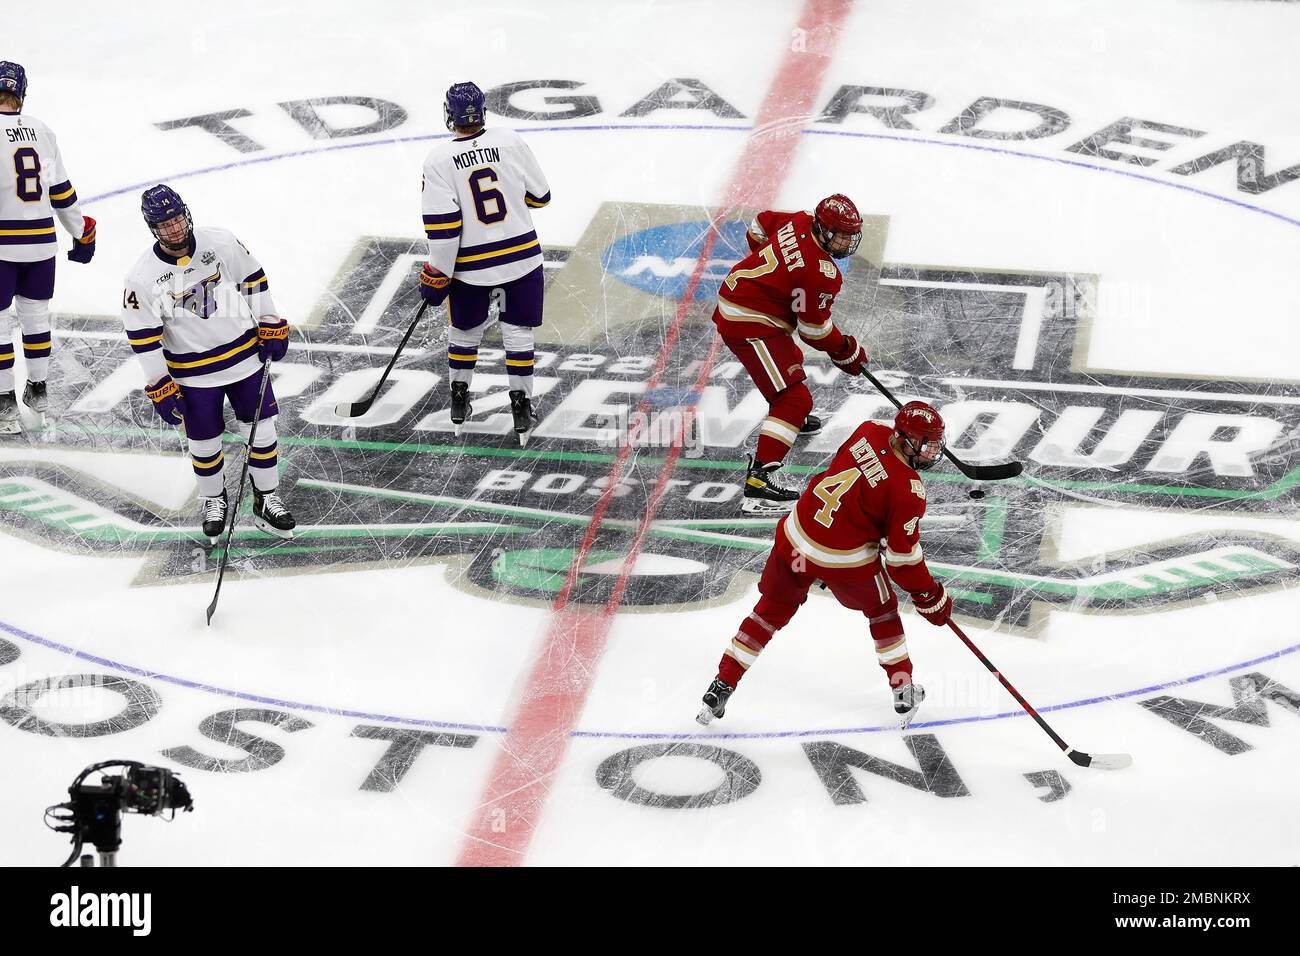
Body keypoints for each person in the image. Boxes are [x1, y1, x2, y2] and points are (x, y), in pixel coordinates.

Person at [697, 401, 953, 728]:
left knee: (769, 611)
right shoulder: (909, 490)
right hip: (842, 562)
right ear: (905, 439)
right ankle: (903, 689)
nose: (932, 452)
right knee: (883, 610)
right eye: (927, 444)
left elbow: (840, 475)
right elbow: (903, 563)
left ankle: (723, 683)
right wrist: (930, 596)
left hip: (795, 539)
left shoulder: (869, 430)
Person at [120, 185, 295, 542]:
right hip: (192, 374)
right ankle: (214, 499)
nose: (174, 228)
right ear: (152, 228)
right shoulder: (141, 277)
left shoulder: (221, 242)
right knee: (203, 444)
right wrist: (159, 383)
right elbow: (142, 336)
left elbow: (253, 278)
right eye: (164, 224)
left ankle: (266, 499)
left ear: (186, 213)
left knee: (262, 432)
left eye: (176, 219)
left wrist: (269, 321)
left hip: (245, 358)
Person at [711, 194, 869, 512]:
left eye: (851, 235)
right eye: (840, 234)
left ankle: (789, 422)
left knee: (789, 363)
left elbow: (759, 225)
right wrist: (846, 351)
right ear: (823, 229)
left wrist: (774, 277)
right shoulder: (820, 272)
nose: (846, 242)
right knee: (794, 399)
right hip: (749, 321)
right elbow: (814, 331)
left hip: (746, 305)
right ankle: (760, 478)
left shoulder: (798, 220)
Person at [419, 81, 551, 444]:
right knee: (518, 332)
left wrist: (438, 273)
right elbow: (541, 197)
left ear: (450, 115)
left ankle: (459, 401)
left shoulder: (438, 160)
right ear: (483, 112)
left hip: (470, 267)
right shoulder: (510, 139)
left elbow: (444, 229)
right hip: (522, 258)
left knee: (464, 332)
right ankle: (521, 406)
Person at [0, 61, 96, 434]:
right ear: (22, 93)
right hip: (41, 245)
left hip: (2, 248)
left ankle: (4, 400)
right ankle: (37, 389)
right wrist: (81, 233)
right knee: (36, 320)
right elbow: (61, 192)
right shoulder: (42, 131)